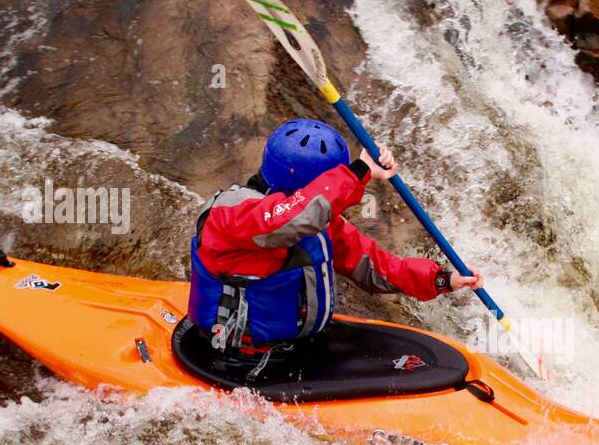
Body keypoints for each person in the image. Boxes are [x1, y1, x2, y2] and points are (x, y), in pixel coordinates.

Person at [188, 119, 483, 366]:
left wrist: (444, 279)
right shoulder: (233, 216)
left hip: (292, 346)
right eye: (332, 181)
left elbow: (374, 265)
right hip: (239, 358)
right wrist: (358, 172)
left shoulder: (316, 222)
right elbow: (286, 219)